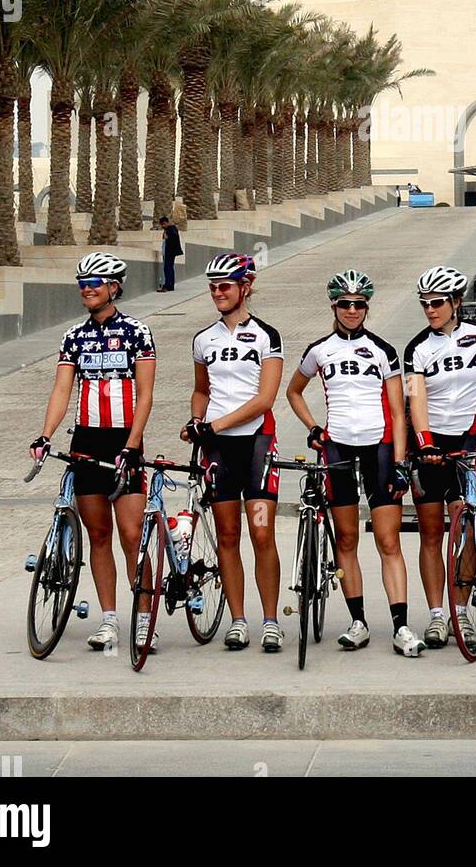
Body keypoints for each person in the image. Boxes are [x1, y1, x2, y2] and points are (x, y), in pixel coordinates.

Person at [287, 270, 425, 657]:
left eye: (359, 304)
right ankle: (358, 621)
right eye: (345, 304)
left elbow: (399, 413)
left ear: (367, 307)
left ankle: (401, 626)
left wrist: (400, 461)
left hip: (378, 449)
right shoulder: (319, 350)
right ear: (334, 306)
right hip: (338, 449)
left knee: (388, 540)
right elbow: (293, 391)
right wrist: (313, 426)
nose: (352, 310)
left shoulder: (383, 350)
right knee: (346, 539)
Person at [29, 252, 156, 652]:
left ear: (114, 287)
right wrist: (45, 435)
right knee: (98, 534)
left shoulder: (138, 331)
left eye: (96, 282)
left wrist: (133, 445)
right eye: (82, 283)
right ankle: (109, 620)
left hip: (124, 441)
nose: (87, 289)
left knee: (132, 534)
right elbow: (62, 390)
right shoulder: (73, 337)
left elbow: (146, 393)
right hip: (85, 439)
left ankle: (143, 619)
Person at [183, 252, 285, 653]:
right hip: (218, 449)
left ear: (245, 287)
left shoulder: (267, 335)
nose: (217, 293)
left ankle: (272, 620)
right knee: (227, 534)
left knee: (261, 533)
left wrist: (216, 425)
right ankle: (238, 620)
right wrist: (197, 420)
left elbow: (265, 399)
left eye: (224, 286)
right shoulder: (203, 339)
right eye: (212, 287)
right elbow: (201, 391)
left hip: (256, 443)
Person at [405, 265, 476, 648]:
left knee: (465, 530)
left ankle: (460, 612)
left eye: (437, 303)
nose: (430, 310)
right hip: (430, 446)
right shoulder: (417, 347)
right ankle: (436, 616)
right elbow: (416, 398)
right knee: (431, 533)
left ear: (456, 302)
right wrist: (425, 441)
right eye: (425, 304)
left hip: (464, 443)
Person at [157, 215, 183, 292]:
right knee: (169, 268)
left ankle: (168, 285)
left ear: (166, 223)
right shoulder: (170, 229)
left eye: (163, 224)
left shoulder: (171, 229)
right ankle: (170, 285)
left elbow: (173, 239)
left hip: (169, 252)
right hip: (168, 252)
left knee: (168, 269)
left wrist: (167, 238)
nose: (162, 226)